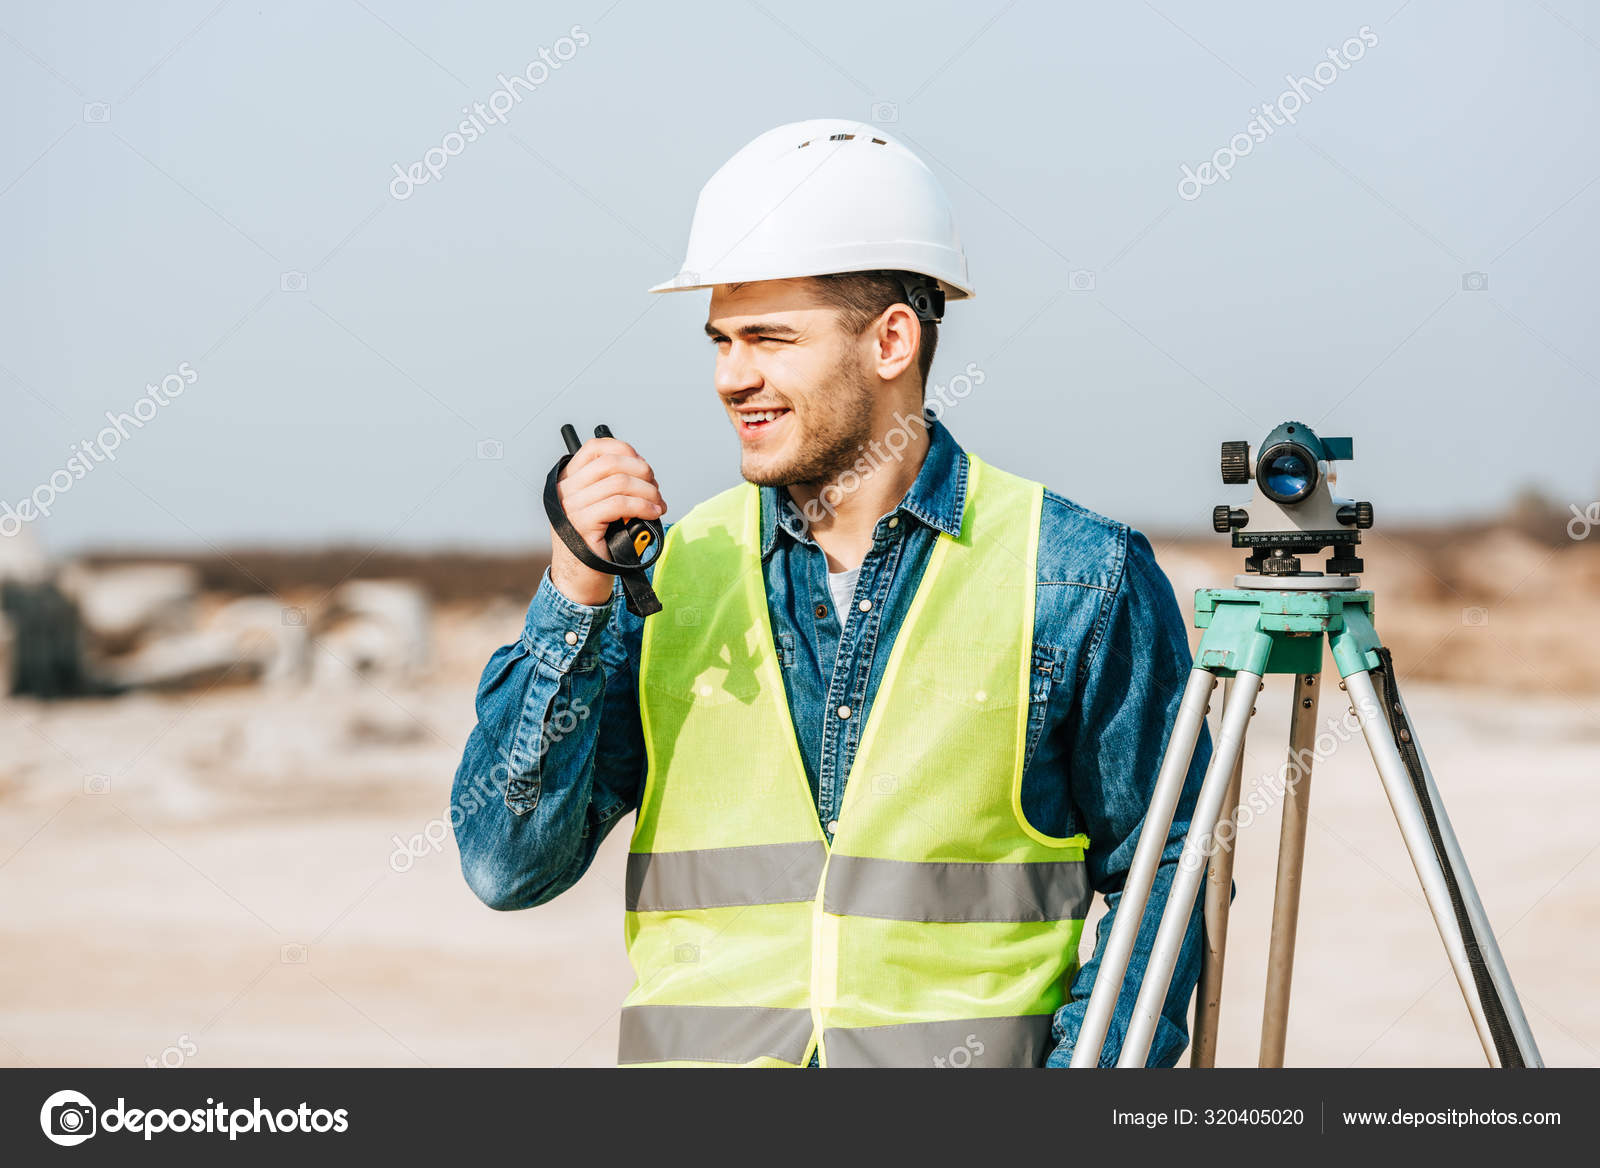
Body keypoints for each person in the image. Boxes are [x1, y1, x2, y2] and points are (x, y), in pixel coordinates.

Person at [452, 119, 1212, 1067]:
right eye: (721, 341)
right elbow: (506, 864)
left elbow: (1168, 876)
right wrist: (574, 590)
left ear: (892, 340)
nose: (732, 378)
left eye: (770, 338)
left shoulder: (1074, 574)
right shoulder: (668, 579)